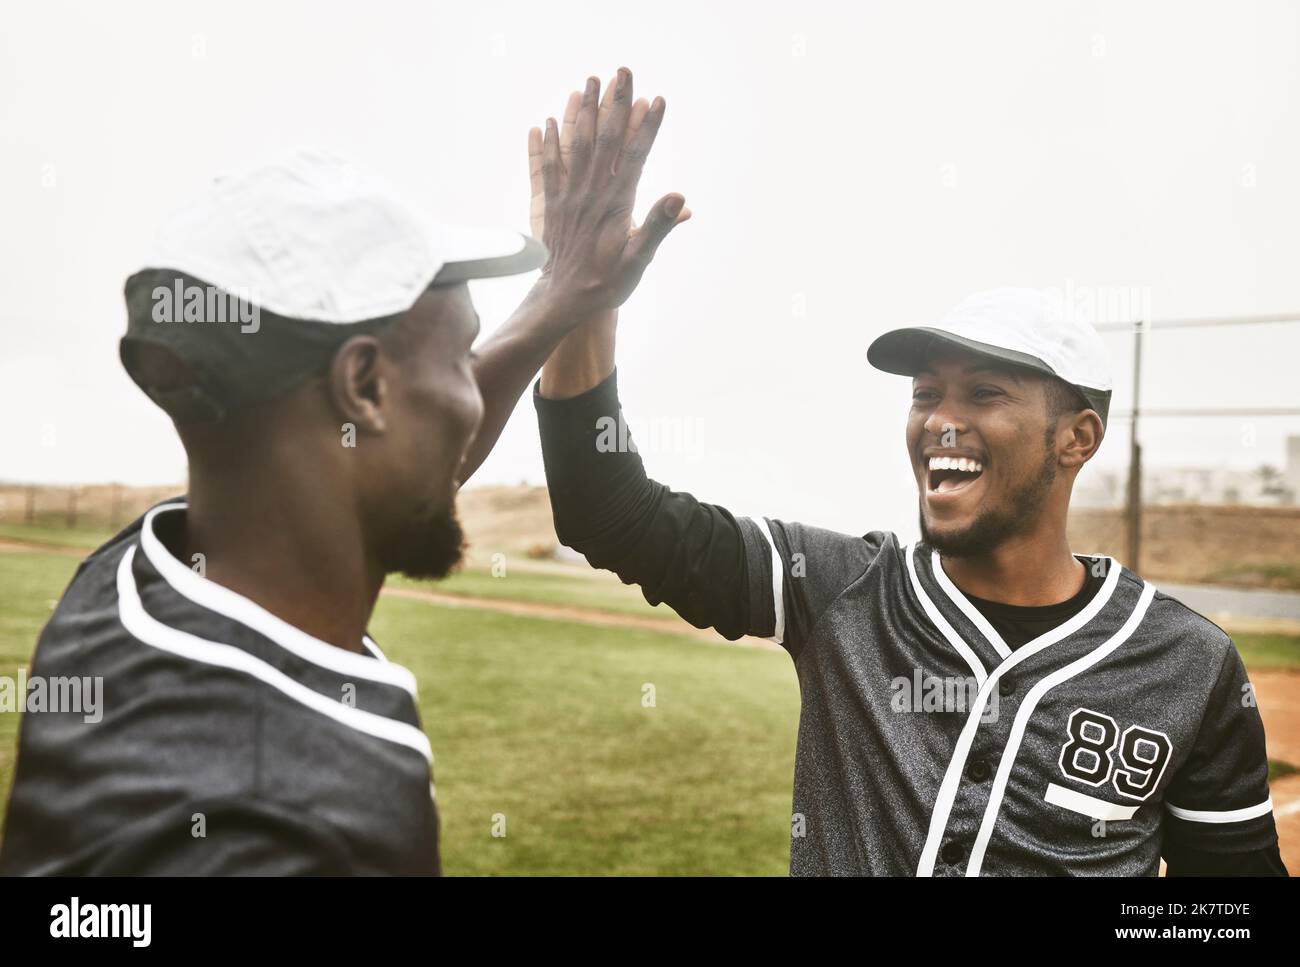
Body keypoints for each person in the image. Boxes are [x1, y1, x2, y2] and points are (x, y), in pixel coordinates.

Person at [0, 68, 687, 875]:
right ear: (363, 386)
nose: (470, 400)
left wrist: (562, 297)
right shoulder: (272, 827)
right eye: (460, 355)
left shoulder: (128, 582)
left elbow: (379, 454)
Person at [533, 139, 1287, 873]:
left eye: (984, 393)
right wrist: (582, 306)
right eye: (926, 394)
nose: (940, 420)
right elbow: (607, 511)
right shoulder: (840, 589)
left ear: (1077, 438)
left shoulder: (1189, 663)